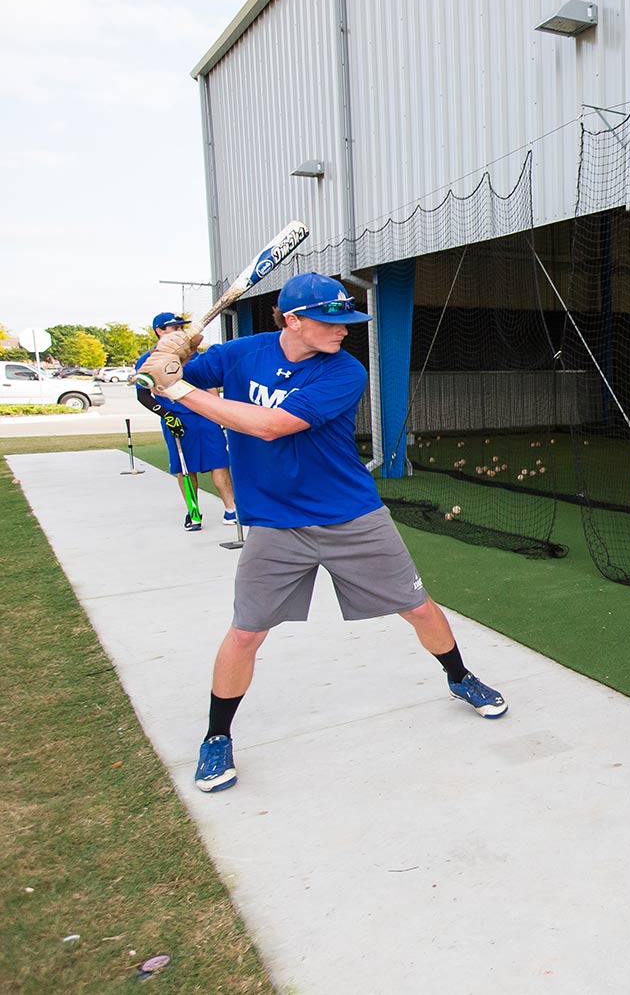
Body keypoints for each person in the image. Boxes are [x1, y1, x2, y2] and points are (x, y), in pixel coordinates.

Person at [136, 272, 508, 794]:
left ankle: (459, 676)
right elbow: (151, 384)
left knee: (418, 607)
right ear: (293, 320)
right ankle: (217, 736)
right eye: (331, 321)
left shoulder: (344, 370)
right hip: (274, 524)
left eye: (347, 320)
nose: (344, 330)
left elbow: (269, 425)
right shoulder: (241, 353)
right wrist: (167, 353)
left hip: (349, 515)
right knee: (246, 632)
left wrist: (179, 385)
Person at [136, 312, 237, 531]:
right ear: (159, 331)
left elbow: (209, 385)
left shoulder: (195, 355)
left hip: (206, 416)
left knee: (219, 463)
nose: (180, 331)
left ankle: (231, 510)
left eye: (181, 327)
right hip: (178, 418)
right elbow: (143, 394)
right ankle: (193, 512)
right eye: (174, 328)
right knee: (185, 468)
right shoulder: (149, 360)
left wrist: (219, 413)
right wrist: (167, 415)